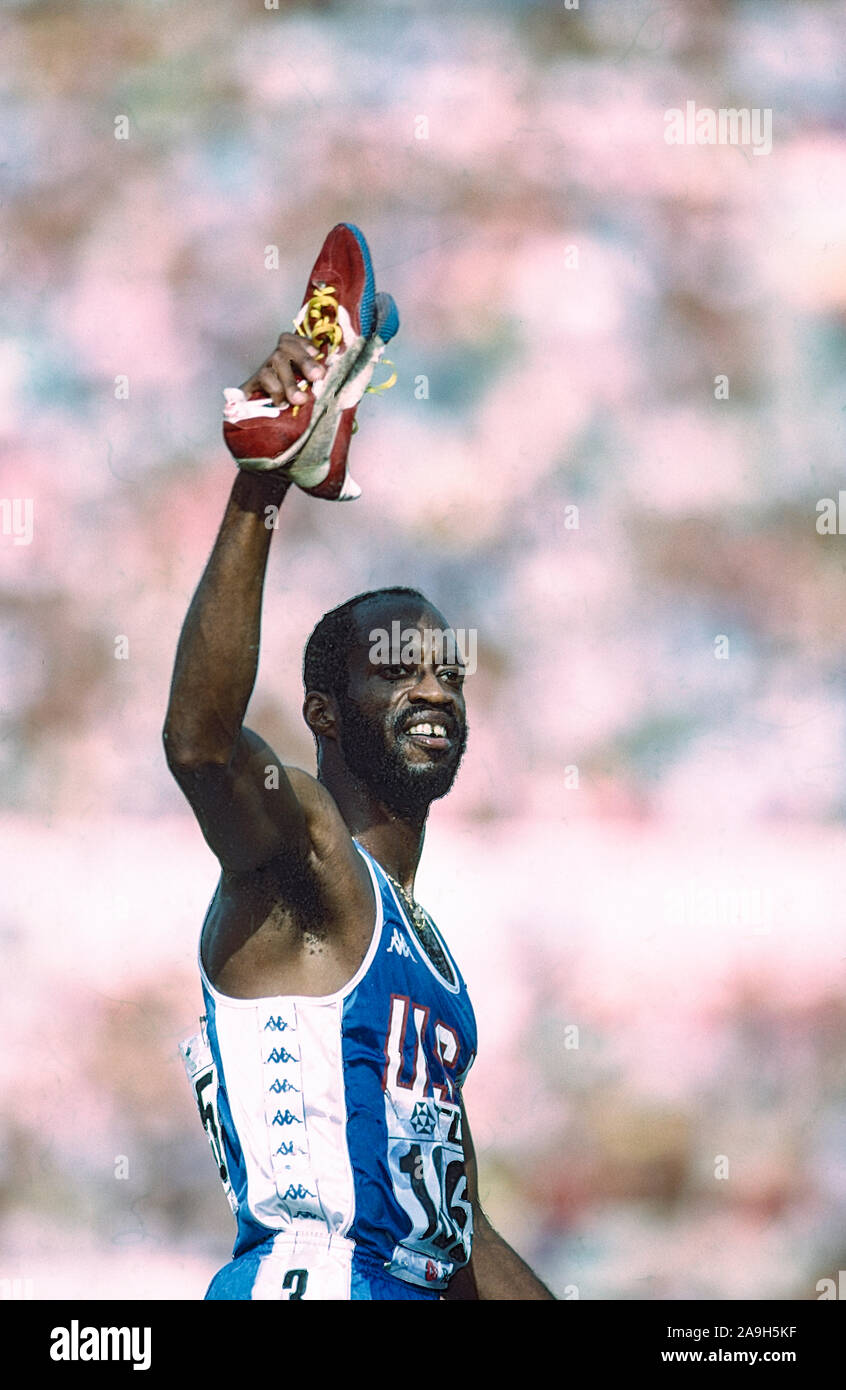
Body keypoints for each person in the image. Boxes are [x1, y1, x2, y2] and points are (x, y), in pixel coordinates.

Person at [163, 246, 554, 1301]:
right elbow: (200, 745)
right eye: (398, 667)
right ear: (327, 715)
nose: (433, 686)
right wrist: (261, 482)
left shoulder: (420, 945)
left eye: (447, 669)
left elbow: (453, 1237)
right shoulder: (306, 865)